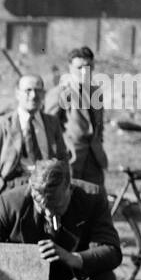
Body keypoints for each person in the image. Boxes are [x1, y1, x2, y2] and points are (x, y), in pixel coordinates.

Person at [0, 74, 68, 200]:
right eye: (28, 91)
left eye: (38, 91)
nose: (33, 96)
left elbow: (62, 157)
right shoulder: (3, 124)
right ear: (18, 94)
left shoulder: (52, 122)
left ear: (43, 94)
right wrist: (0, 188)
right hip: (12, 187)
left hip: (46, 187)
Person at [45, 46, 108, 189]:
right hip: (70, 158)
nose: (85, 71)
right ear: (70, 68)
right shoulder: (59, 93)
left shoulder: (95, 92)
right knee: (70, 200)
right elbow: (48, 129)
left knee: (95, 199)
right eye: (79, 67)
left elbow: (99, 126)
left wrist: (98, 144)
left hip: (94, 157)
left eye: (88, 66)